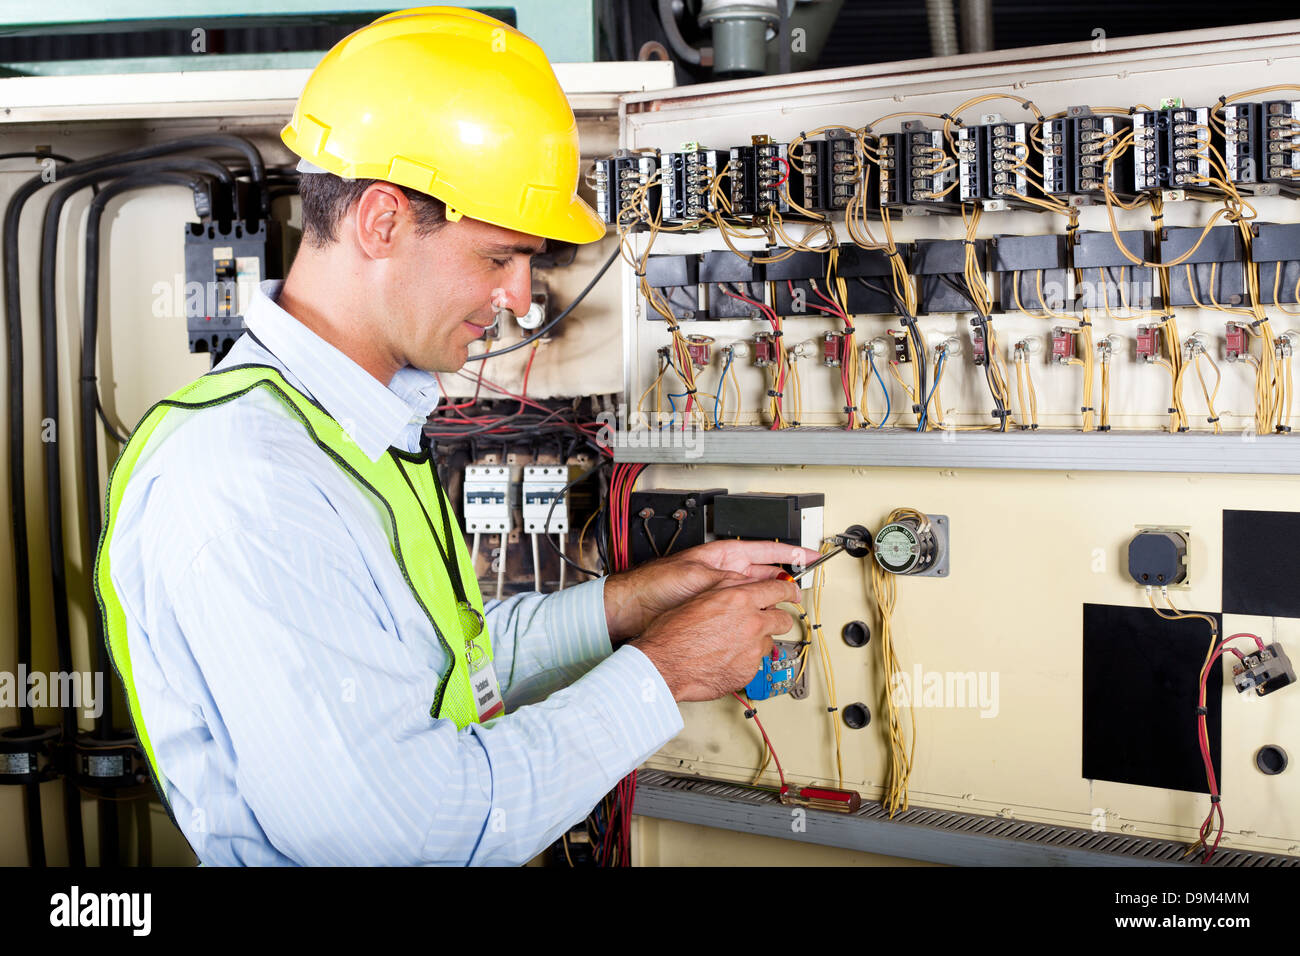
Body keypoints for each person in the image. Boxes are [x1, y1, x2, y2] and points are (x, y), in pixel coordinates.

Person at [95, 6, 811, 865]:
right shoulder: (247, 477)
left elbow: (447, 670)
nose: (519, 297)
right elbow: (405, 831)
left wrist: (634, 606)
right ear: (382, 221)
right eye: (497, 257)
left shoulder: (349, 431)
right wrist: (665, 672)